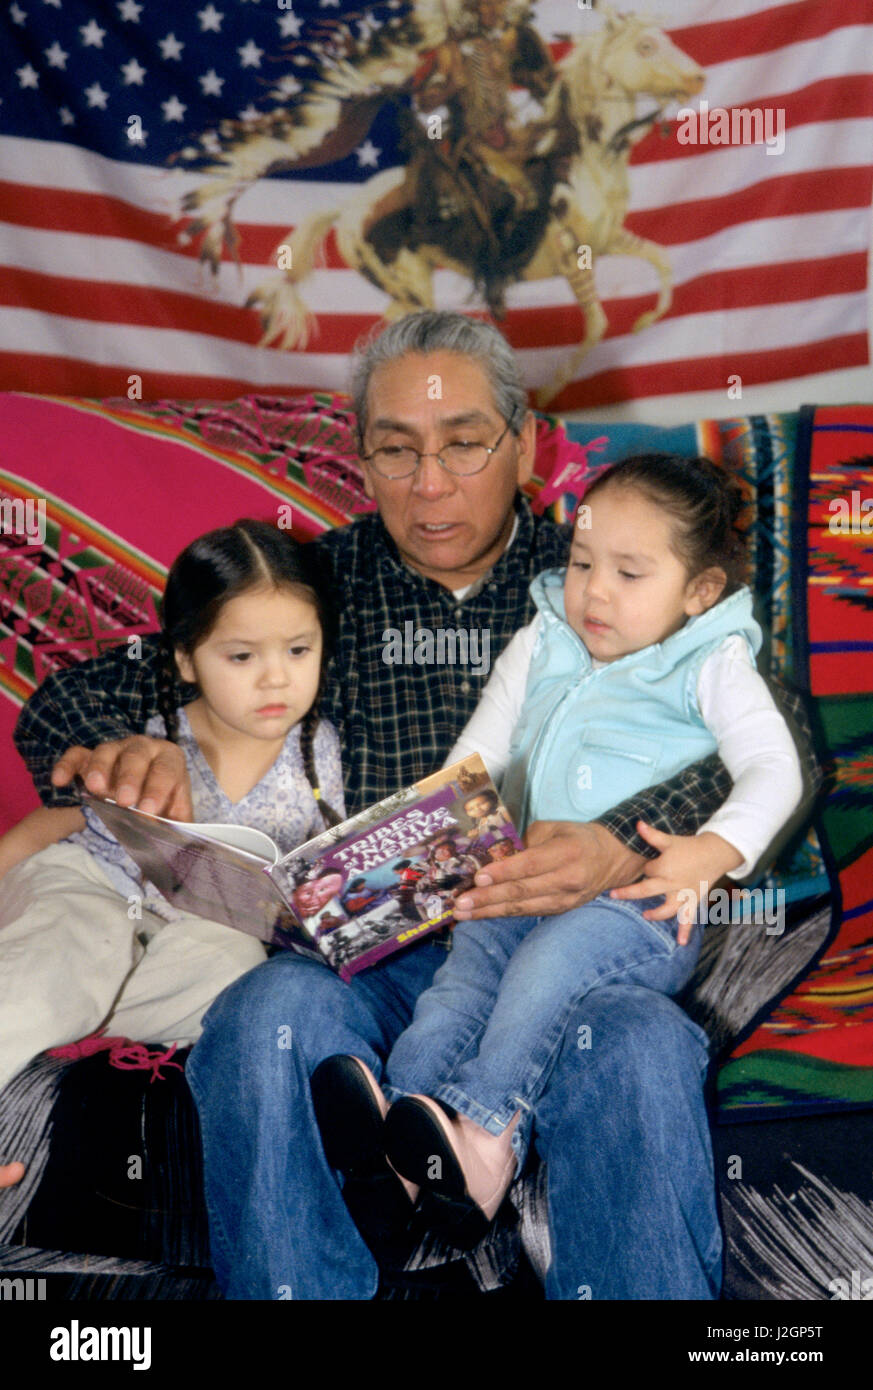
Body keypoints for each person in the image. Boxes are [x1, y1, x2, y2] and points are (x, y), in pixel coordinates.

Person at [8, 311, 818, 1297]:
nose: (430, 483)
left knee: (639, 1043)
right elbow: (77, 696)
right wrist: (120, 746)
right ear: (362, 459)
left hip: (573, 942)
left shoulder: (604, 570)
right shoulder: (319, 584)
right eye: (397, 451)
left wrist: (618, 845)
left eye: (465, 444)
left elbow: (785, 747)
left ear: (525, 443)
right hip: (386, 954)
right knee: (264, 1010)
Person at [315, 454, 803, 1249]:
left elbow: (773, 766)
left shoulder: (710, 661)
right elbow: (477, 755)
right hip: (519, 889)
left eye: (629, 573)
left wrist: (708, 853)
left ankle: (482, 1144)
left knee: (540, 978)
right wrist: (430, 834)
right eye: (580, 563)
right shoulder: (543, 636)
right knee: (459, 986)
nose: (594, 591)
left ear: (699, 592)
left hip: (633, 910)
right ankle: (402, 1144)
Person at [0, 520, 343, 1097]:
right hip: (93, 888)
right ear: (186, 659)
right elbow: (57, 820)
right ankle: (46, 996)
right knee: (84, 941)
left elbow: (321, 873)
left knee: (241, 973)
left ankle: (66, 1014)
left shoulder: (320, 752)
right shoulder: (153, 742)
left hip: (194, 930)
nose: (276, 677)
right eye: (241, 656)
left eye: (298, 650)